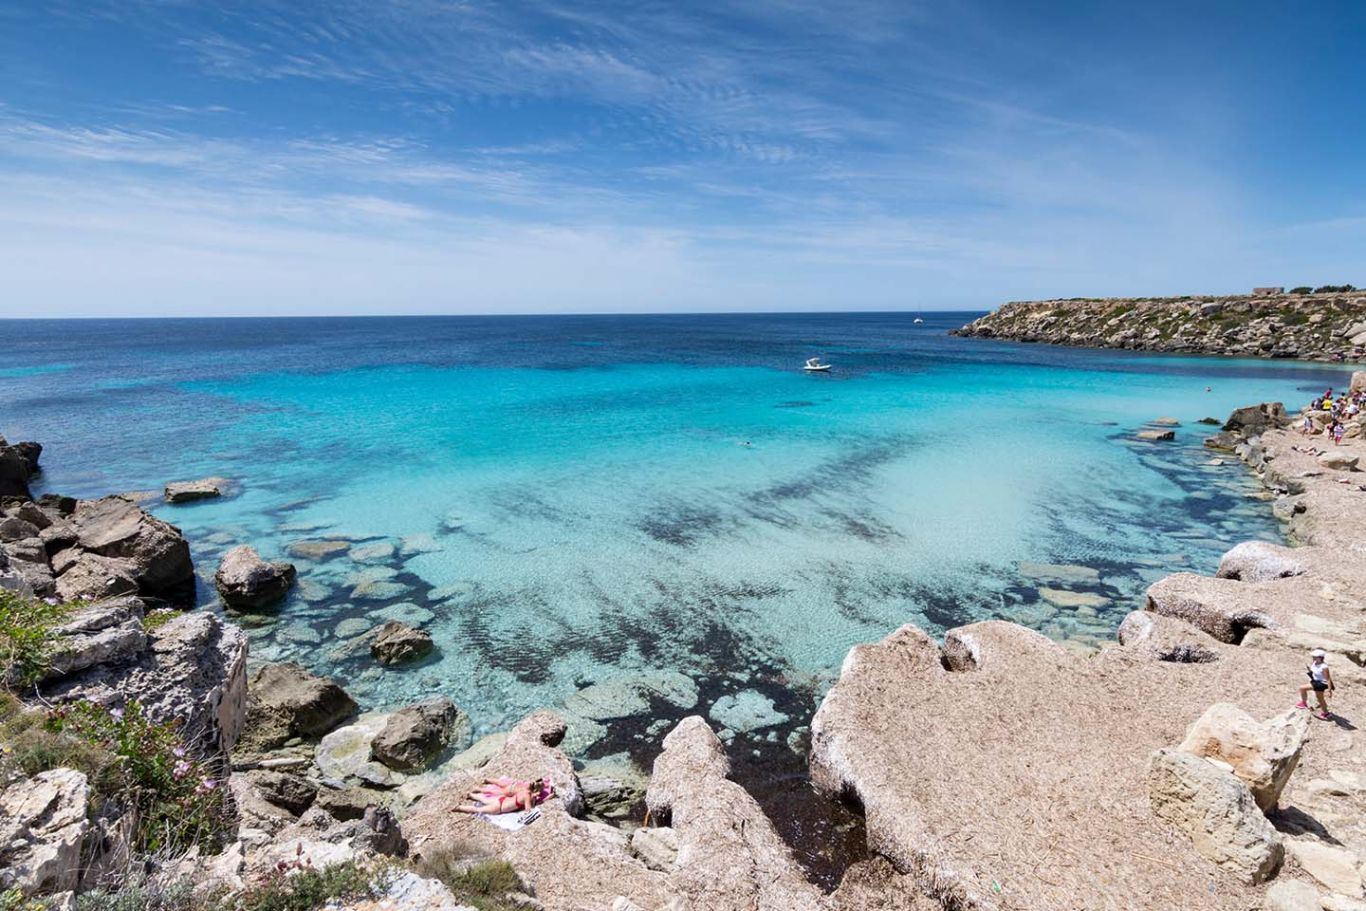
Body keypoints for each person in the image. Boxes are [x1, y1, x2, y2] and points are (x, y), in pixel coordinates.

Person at [454, 776, 554, 815]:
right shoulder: (528, 796)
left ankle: (471, 795)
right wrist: (537, 801)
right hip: (499, 807)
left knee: (483, 799)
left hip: (502, 799)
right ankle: (459, 808)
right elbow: (529, 810)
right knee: (478, 810)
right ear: (535, 792)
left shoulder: (525, 789)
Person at [1297, 649, 1335, 720]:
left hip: (1321, 684)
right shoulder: (1314, 663)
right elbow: (1315, 672)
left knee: (1303, 688)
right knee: (1320, 698)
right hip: (1316, 682)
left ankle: (1304, 703)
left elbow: (1328, 679)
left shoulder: (1324, 667)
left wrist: (1329, 690)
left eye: (1315, 656)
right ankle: (1326, 713)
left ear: (1320, 657)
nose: (1313, 658)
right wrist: (1309, 670)